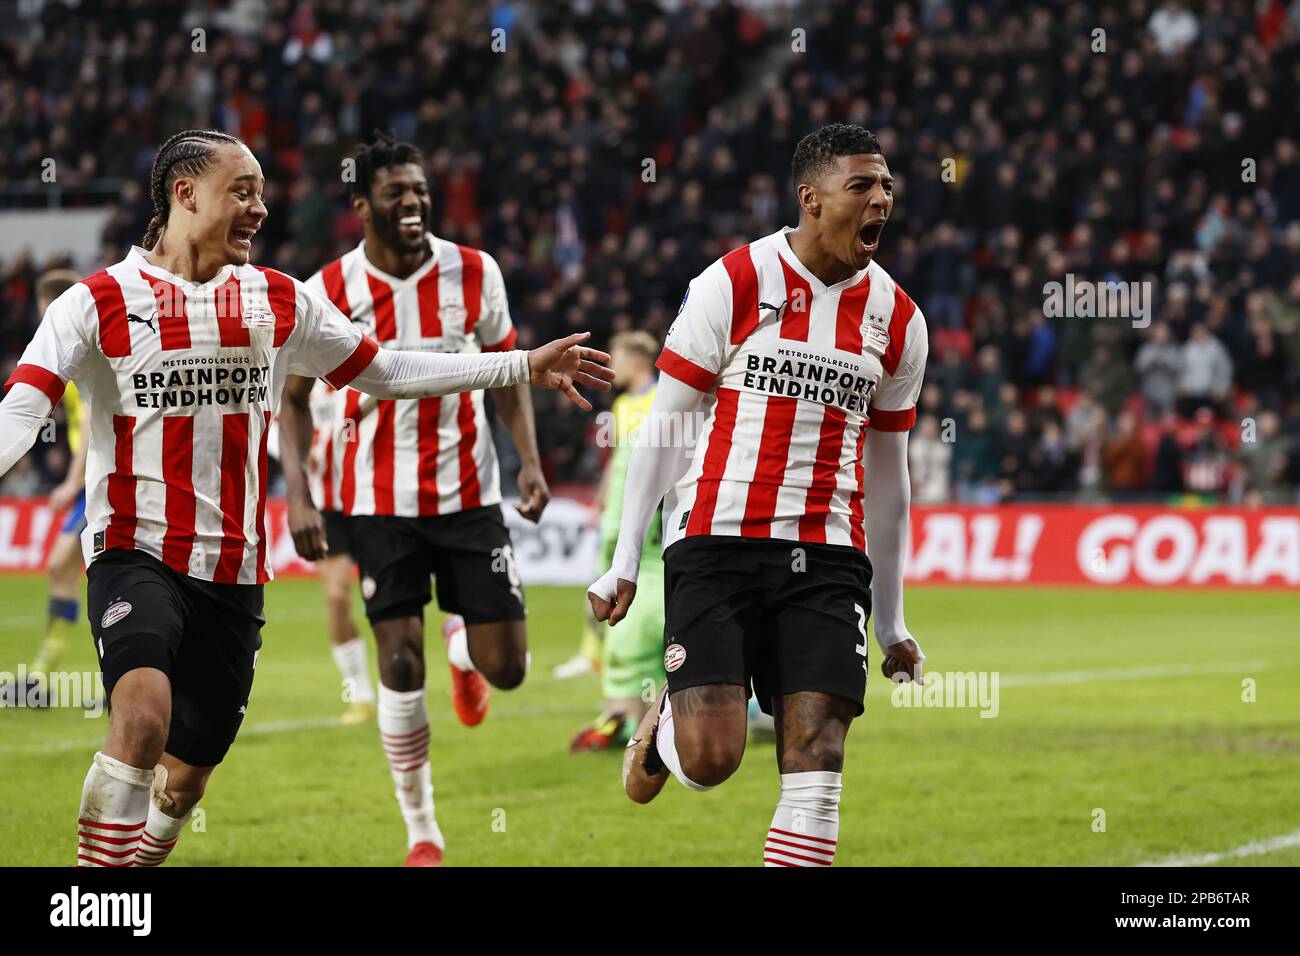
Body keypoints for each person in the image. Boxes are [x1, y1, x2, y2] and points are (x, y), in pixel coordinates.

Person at [0, 129, 612, 868]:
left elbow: (384, 370)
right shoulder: (94, 302)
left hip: (233, 568)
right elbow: (20, 412)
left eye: (262, 191)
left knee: (185, 783)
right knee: (141, 718)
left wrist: (517, 363)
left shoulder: (278, 299)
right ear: (184, 194)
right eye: (243, 192)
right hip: (135, 548)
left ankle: (137, 865)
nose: (260, 208)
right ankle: (97, 900)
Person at [588, 124, 927, 866]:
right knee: (712, 761)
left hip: (830, 555)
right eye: (862, 186)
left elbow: (889, 472)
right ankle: (666, 722)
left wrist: (894, 616)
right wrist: (621, 563)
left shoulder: (899, 319)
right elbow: (667, 426)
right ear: (811, 198)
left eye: (888, 187)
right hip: (718, 537)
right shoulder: (735, 281)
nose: (881, 201)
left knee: (817, 755)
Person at [278, 133, 550, 866]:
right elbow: (292, 399)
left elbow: (510, 366)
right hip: (373, 503)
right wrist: (297, 493)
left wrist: (527, 458)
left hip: (468, 494)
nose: (415, 203)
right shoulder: (328, 290)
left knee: (510, 668)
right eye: (397, 192)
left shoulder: (476, 272)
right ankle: (422, 830)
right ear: (362, 204)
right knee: (398, 661)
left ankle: (464, 650)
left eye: (421, 190)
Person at [569, 331, 665, 752]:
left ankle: (632, 707)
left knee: (639, 609)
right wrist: (604, 497)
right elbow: (621, 461)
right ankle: (593, 655)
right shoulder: (624, 405)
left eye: (618, 358)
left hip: (649, 529)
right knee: (602, 590)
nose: (614, 368)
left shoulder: (662, 400)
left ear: (636, 359)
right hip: (618, 517)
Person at [23, 270, 90, 699]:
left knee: (82, 567)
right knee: (63, 568)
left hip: (106, 477)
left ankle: (126, 680)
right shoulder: (71, 347)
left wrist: (70, 480)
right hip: (94, 479)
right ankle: (43, 678)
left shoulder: (79, 348)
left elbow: (93, 428)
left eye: (42, 307)